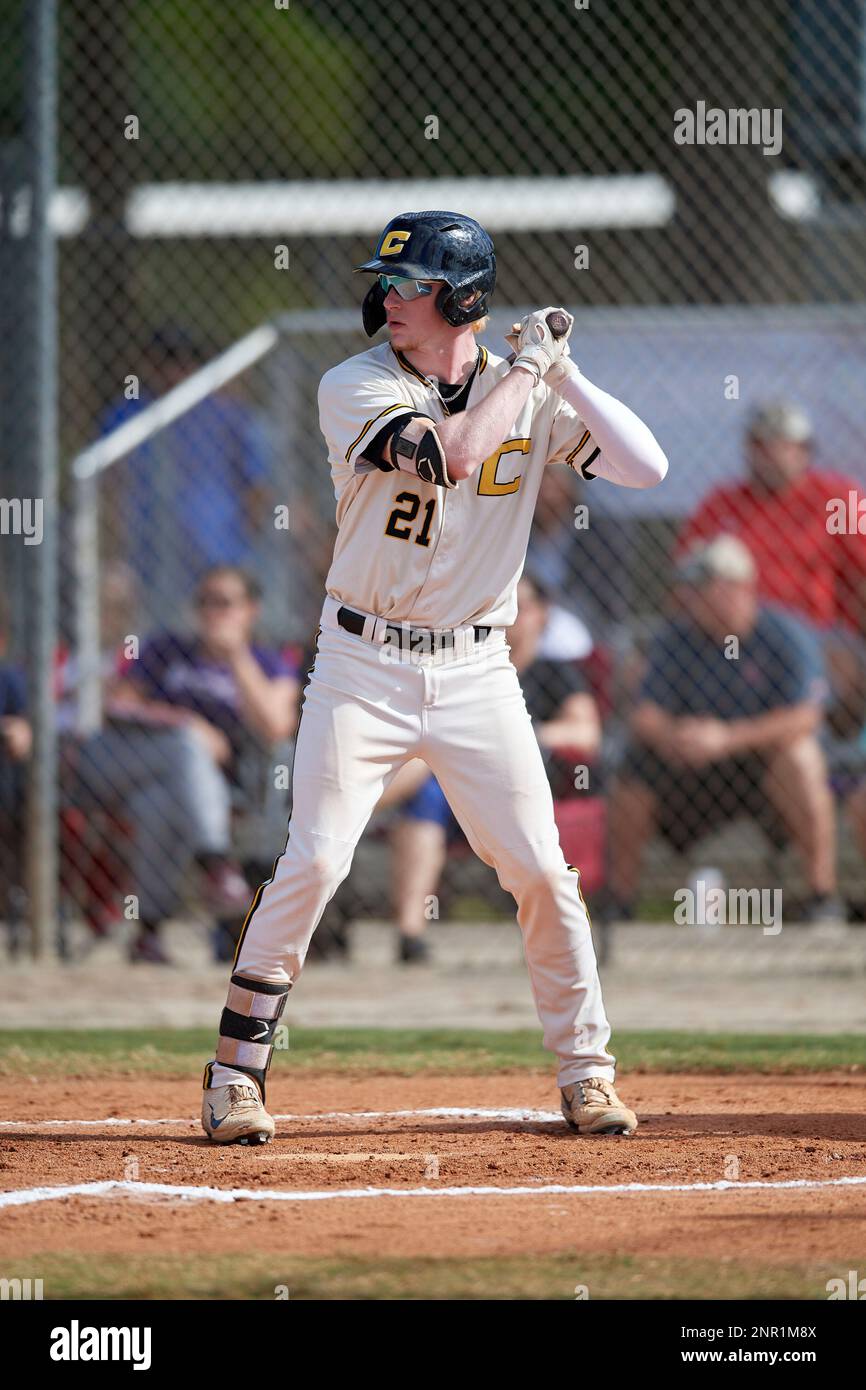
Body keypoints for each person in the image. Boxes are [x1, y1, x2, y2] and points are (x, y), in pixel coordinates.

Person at [200, 209, 668, 1145]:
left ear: (462, 298)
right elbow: (452, 457)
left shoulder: (523, 389)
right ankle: (234, 1076)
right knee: (319, 859)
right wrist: (532, 372)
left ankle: (586, 1072)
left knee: (538, 865)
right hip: (361, 665)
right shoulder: (357, 382)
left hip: (476, 668)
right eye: (392, 283)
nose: (389, 301)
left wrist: (561, 372)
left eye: (411, 286)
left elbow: (645, 466)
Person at [606, 536, 840, 921]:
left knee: (801, 756)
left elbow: (807, 716)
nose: (688, 597)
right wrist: (676, 735)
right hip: (689, 768)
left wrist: (727, 739)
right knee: (634, 767)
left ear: (737, 587)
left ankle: (821, 897)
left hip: (761, 773)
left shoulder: (784, 632)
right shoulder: (677, 637)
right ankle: (619, 903)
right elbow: (644, 713)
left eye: (701, 586)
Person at [78, 566, 299, 962]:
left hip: (198, 788)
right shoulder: (166, 649)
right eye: (205, 602)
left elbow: (275, 727)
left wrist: (236, 657)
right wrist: (188, 725)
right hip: (129, 762)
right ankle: (215, 863)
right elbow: (119, 705)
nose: (213, 611)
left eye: (225, 603)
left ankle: (149, 932)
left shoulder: (270, 663)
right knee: (186, 747)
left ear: (251, 610)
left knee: (159, 805)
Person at [379, 571, 601, 962]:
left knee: (423, 777)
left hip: (516, 789)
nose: (512, 615)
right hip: (452, 789)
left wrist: (519, 735)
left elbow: (585, 733)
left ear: (543, 617)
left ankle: (360, 805)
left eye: (523, 606)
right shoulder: (463, 669)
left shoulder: (554, 673)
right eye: (503, 605)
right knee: (427, 791)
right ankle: (410, 934)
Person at [101, 327, 273, 626]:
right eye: (162, 362)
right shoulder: (127, 415)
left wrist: (248, 540)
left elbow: (256, 486)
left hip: (218, 548)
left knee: (218, 627)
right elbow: (111, 488)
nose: (172, 372)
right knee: (153, 632)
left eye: (181, 362)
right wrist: (117, 547)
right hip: (148, 550)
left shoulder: (227, 414)